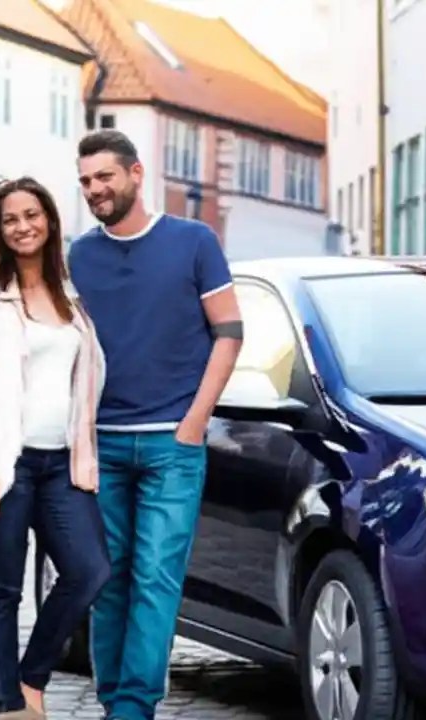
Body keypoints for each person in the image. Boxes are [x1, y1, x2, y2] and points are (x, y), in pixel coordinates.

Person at [67, 129, 243, 720]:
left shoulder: (193, 242)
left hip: (173, 444)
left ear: (136, 174)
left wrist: (195, 422)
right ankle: (114, 695)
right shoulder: (81, 256)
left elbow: (229, 333)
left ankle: (133, 707)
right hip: (103, 445)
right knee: (105, 579)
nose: (94, 189)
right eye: (86, 180)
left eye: (104, 177)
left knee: (156, 578)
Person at [0, 176, 112, 720]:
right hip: (4, 464)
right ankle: (9, 707)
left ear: (49, 220)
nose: (23, 226)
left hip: (61, 464)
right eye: (10, 219)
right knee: (2, 589)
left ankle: (30, 678)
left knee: (89, 570)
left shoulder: (68, 298)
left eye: (31, 214)